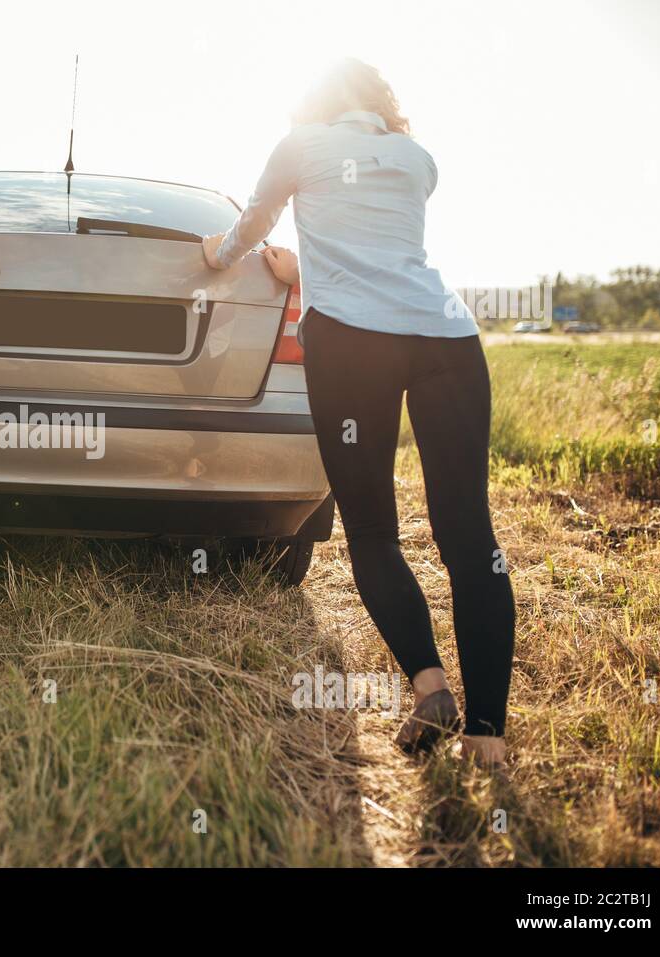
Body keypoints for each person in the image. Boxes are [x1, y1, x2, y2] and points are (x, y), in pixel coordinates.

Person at [202, 59, 514, 768]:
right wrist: (309, 268)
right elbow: (376, 248)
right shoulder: (415, 159)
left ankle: (431, 686)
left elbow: (249, 227)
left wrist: (217, 255)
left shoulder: (300, 148)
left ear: (313, 101)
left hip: (351, 343)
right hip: (446, 336)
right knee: (471, 536)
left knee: (373, 529)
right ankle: (488, 737)